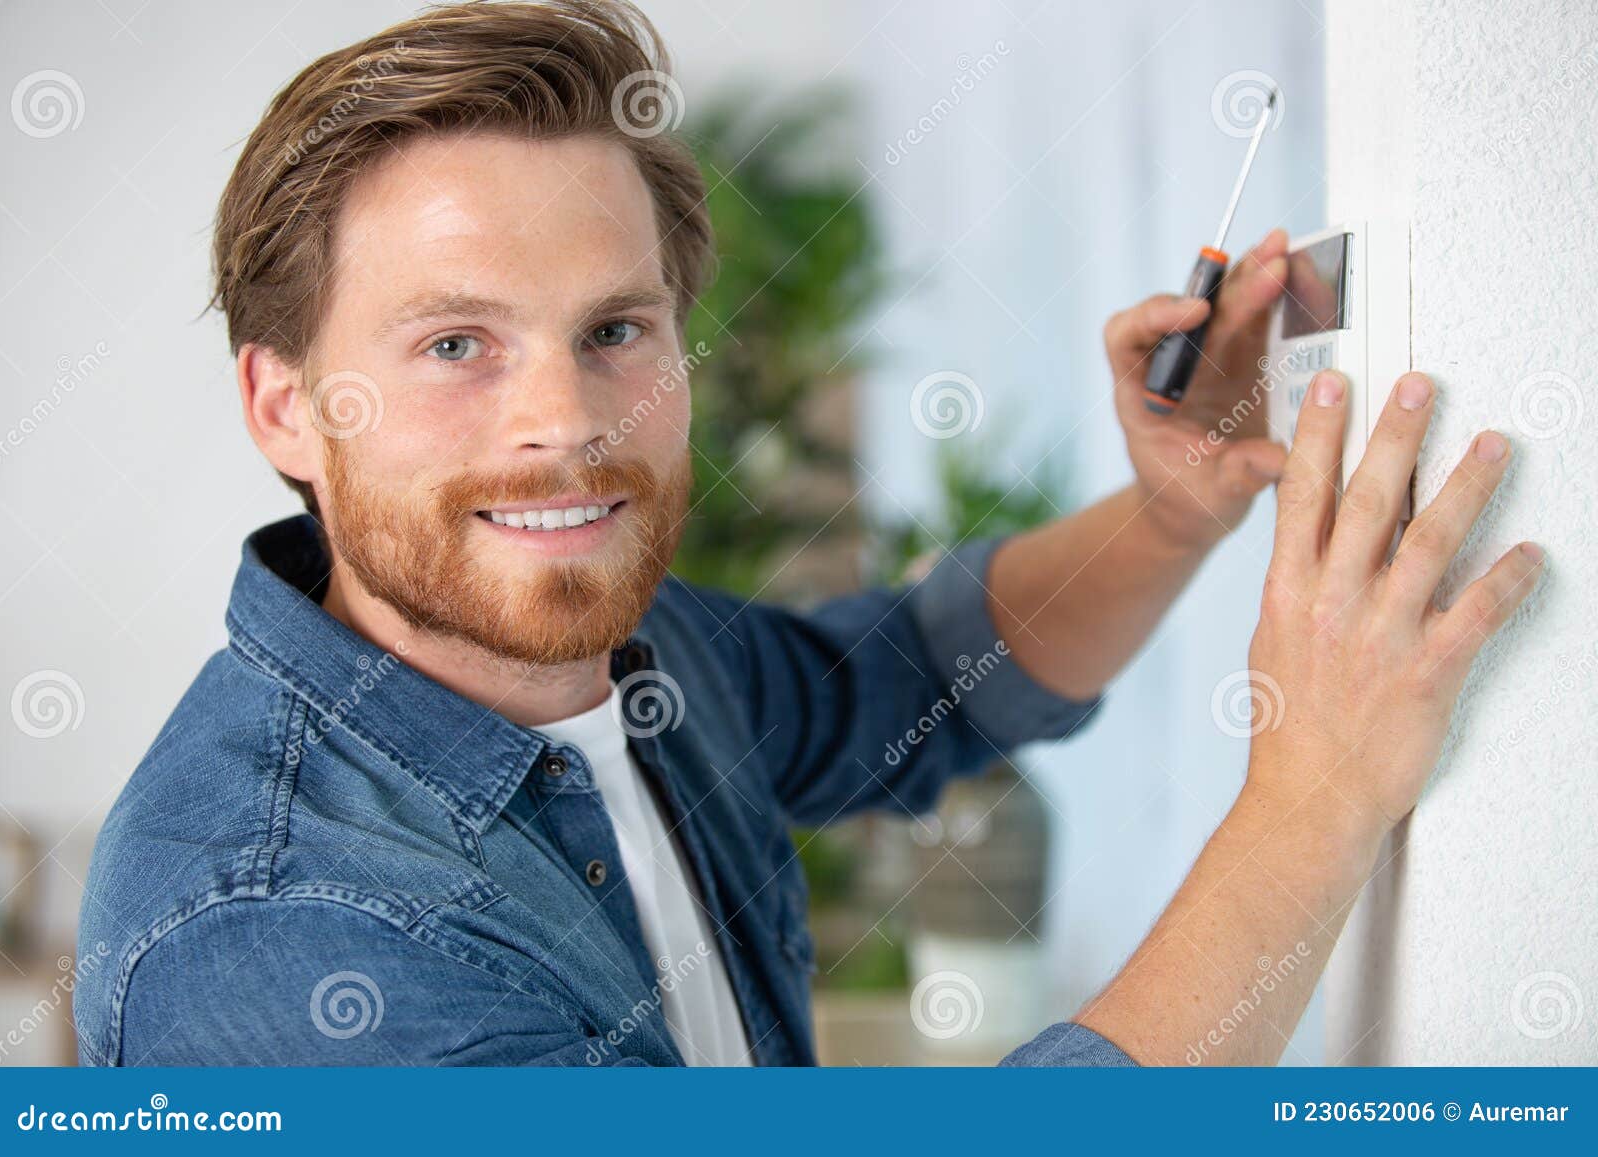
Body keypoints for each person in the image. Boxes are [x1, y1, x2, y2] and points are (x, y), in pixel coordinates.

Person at [75, 0, 1541, 1067]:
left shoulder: (621, 653)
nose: (566, 421)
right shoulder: (275, 933)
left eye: (615, 329)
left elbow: (911, 672)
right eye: (455, 344)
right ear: (283, 406)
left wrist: (1169, 513)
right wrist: (1314, 803)